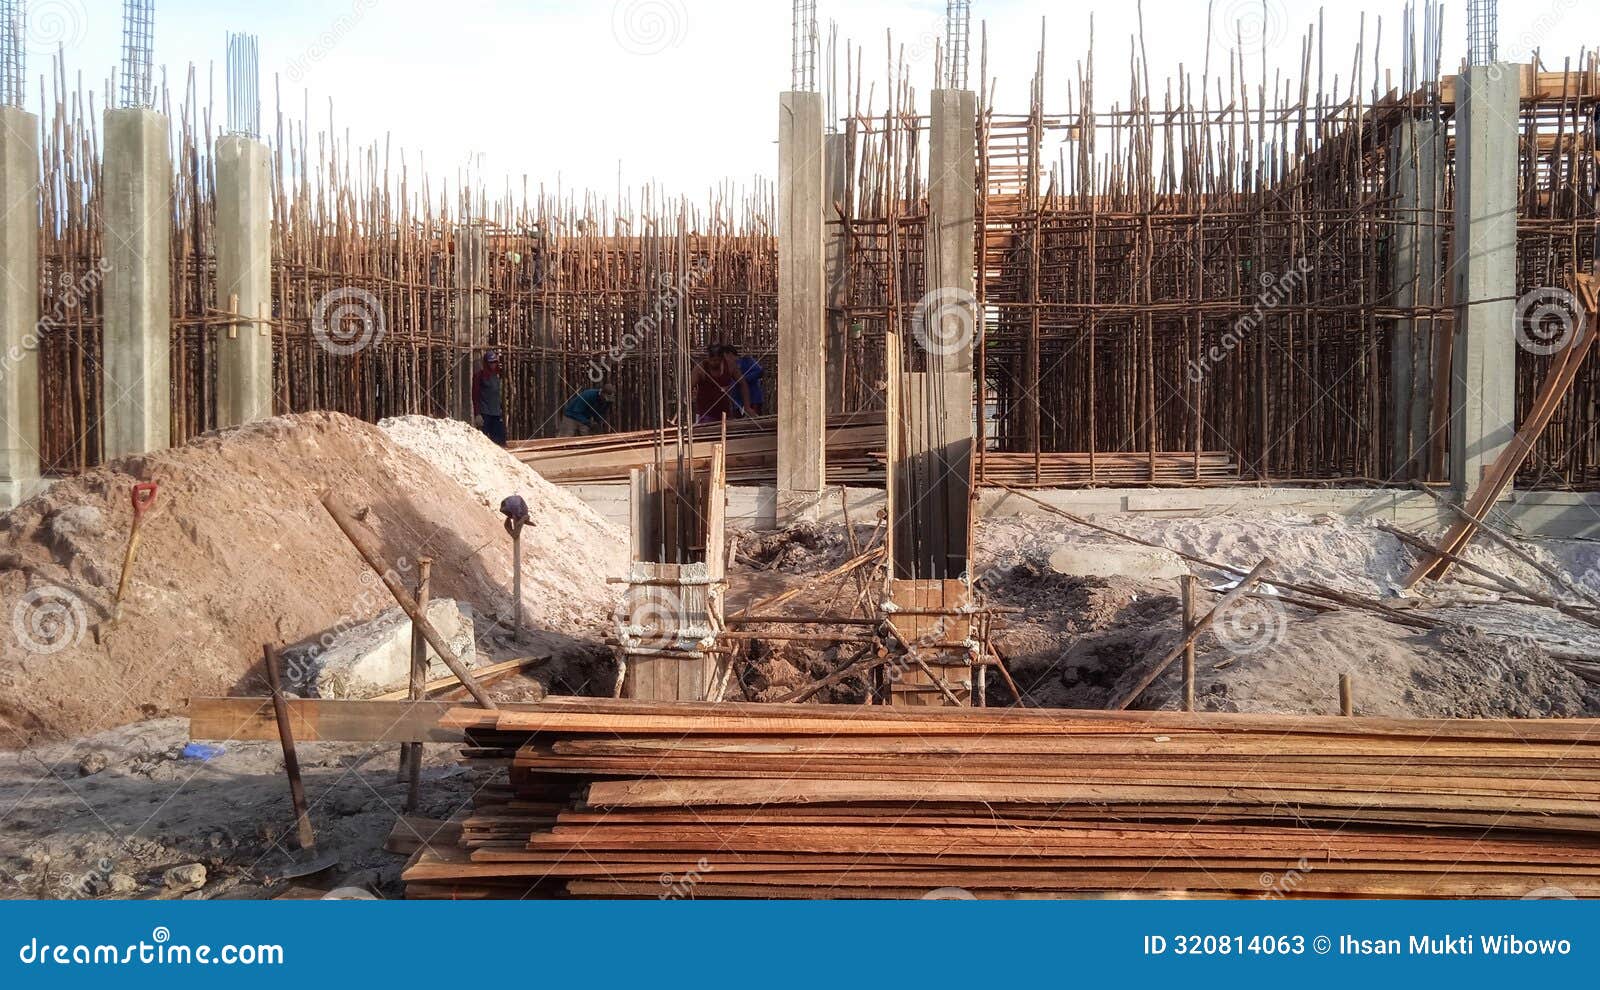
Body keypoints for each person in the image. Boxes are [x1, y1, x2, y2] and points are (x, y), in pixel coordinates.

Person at [692, 347, 749, 424]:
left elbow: (743, 383)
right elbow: (689, 386)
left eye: (716, 360)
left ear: (722, 358)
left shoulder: (730, 366)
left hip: (725, 411)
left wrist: (747, 407)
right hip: (705, 413)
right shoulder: (700, 369)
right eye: (711, 360)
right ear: (708, 358)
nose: (713, 362)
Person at [471, 349, 507, 447]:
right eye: (491, 363)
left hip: (496, 413)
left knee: (499, 440)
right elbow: (475, 395)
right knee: (483, 443)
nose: (493, 365)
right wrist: (477, 413)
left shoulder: (497, 375)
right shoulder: (479, 376)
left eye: (495, 362)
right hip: (485, 414)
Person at [724, 344, 765, 416]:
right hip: (737, 402)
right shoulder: (727, 367)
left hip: (753, 399)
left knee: (754, 423)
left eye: (724, 357)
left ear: (729, 354)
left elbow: (759, 371)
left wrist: (741, 379)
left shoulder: (746, 360)